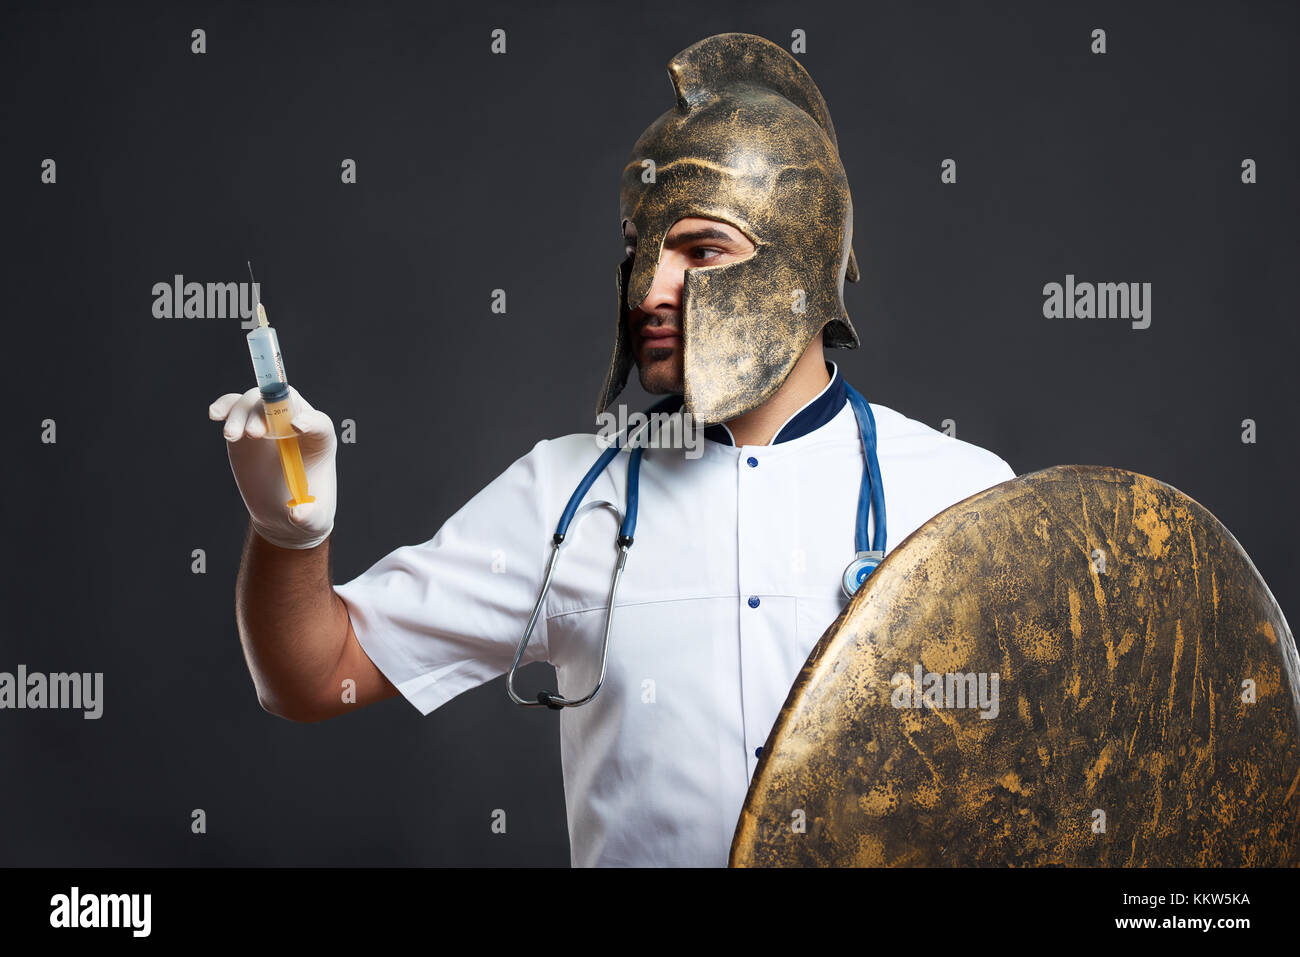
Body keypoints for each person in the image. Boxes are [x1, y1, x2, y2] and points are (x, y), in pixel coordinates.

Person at [208, 32, 1014, 867]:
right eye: (638, 251)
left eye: (701, 249)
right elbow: (309, 676)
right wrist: (287, 536)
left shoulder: (965, 497)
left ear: (806, 264)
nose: (649, 290)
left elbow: (1053, 770)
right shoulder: (564, 493)